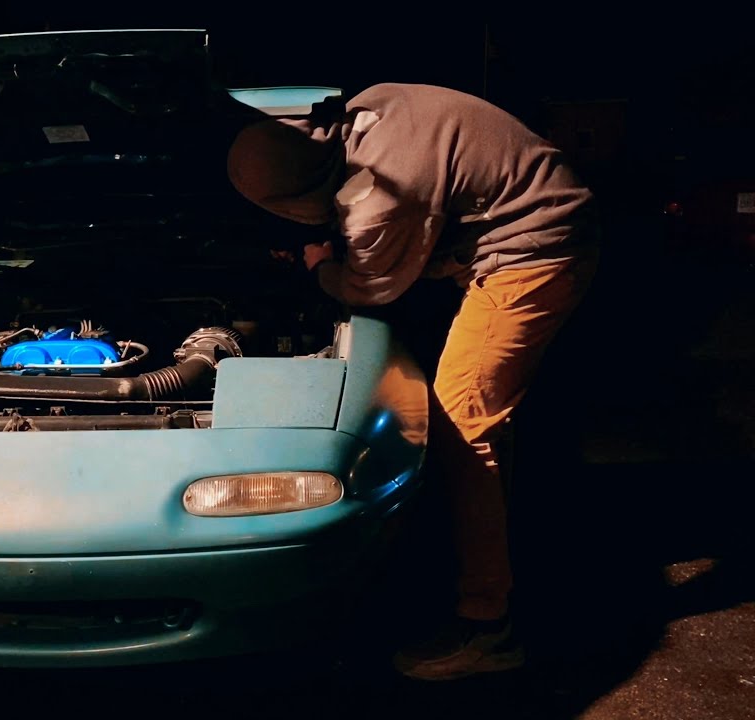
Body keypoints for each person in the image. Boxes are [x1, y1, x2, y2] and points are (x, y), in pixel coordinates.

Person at [227, 83, 600, 680]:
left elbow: (373, 288)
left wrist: (323, 267)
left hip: (535, 248)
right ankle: (485, 530)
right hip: (521, 217)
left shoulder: (379, 197)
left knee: (461, 422)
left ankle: (487, 627)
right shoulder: (363, 110)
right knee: (478, 410)